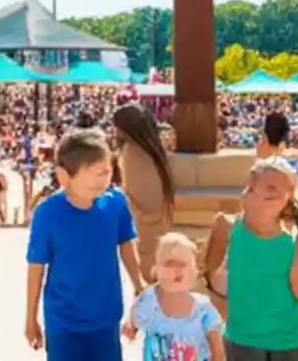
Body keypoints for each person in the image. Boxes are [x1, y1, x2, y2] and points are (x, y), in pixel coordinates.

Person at [25, 128, 145, 361]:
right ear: (64, 175)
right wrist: (30, 318)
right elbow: (36, 267)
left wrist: (139, 287)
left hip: (106, 319)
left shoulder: (116, 204)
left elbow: (127, 244)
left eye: (107, 171)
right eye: (94, 173)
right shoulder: (47, 213)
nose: (103, 180)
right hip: (63, 323)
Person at [203, 157, 298, 361]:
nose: (276, 193)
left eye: (283, 190)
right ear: (249, 189)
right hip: (240, 341)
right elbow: (213, 289)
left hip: (288, 344)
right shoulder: (226, 227)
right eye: (269, 187)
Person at [124, 232, 225, 360]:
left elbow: (218, 352)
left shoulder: (204, 311)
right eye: (169, 263)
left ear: (195, 271)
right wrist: (130, 327)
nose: (177, 269)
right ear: (156, 269)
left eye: (183, 264)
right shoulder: (148, 300)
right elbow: (133, 317)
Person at [113, 104, 176, 284]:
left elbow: (129, 195)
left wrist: (139, 216)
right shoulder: (158, 151)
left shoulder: (130, 154)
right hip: (161, 222)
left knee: (150, 282)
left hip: (143, 226)